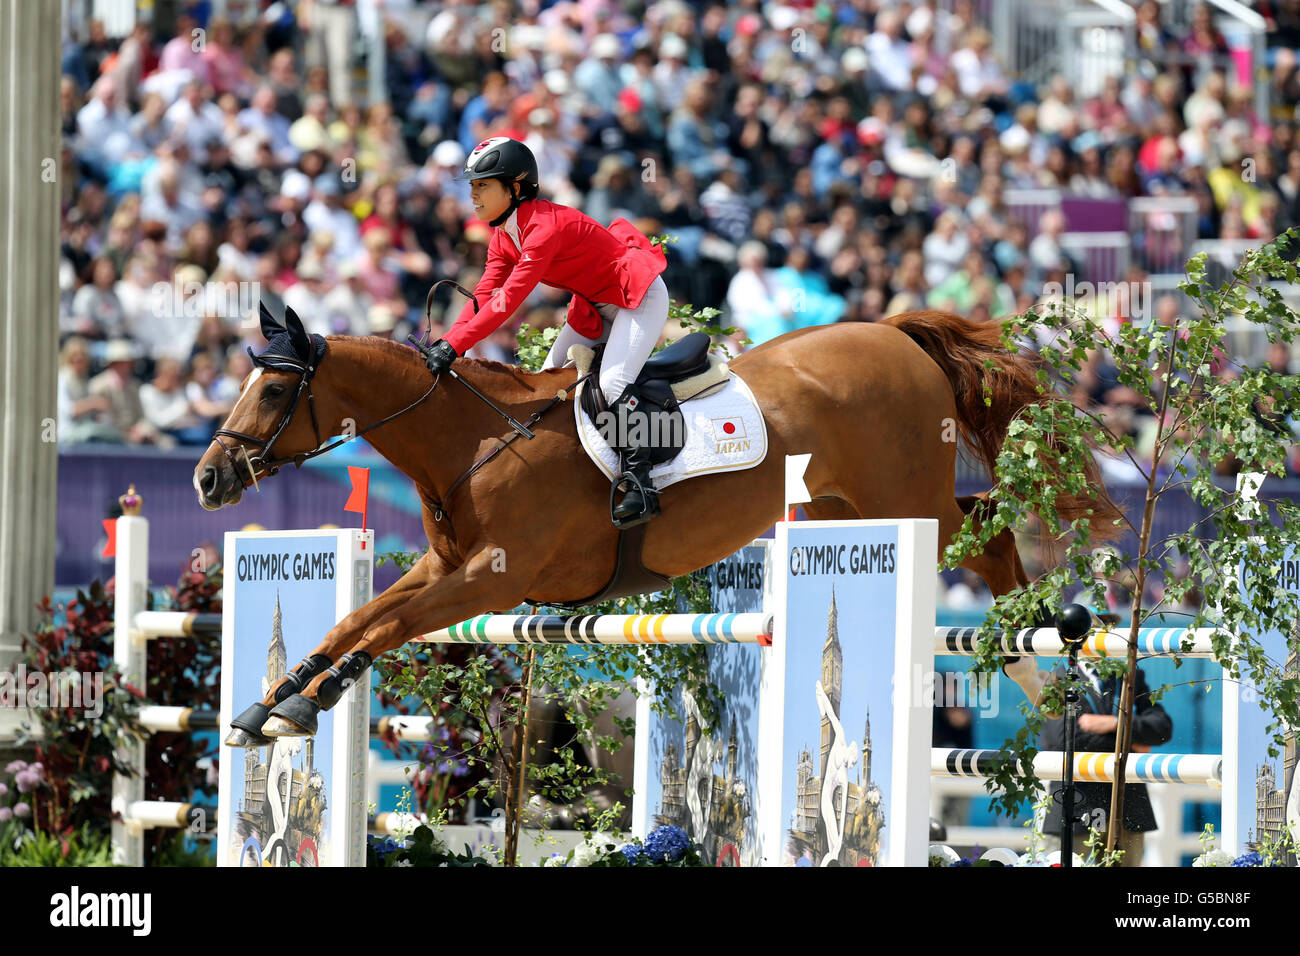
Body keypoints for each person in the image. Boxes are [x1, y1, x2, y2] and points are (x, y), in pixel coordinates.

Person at [419, 137, 670, 527]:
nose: (473, 194)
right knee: (548, 387)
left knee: (614, 383)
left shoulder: (544, 229)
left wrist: (455, 345)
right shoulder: (504, 236)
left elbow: (509, 301)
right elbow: (483, 296)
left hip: (638, 298)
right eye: (471, 186)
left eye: (482, 185)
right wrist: (449, 342)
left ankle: (642, 485)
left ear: (515, 188)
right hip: (594, 305)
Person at [1039, 659, 1172, 866]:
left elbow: (1162, 729)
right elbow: (1061, 740)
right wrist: (1132, 741)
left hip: (1126, 806)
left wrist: (1114, 723)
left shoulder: (1129, 674)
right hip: (1075, 806)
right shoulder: (1058, 678)